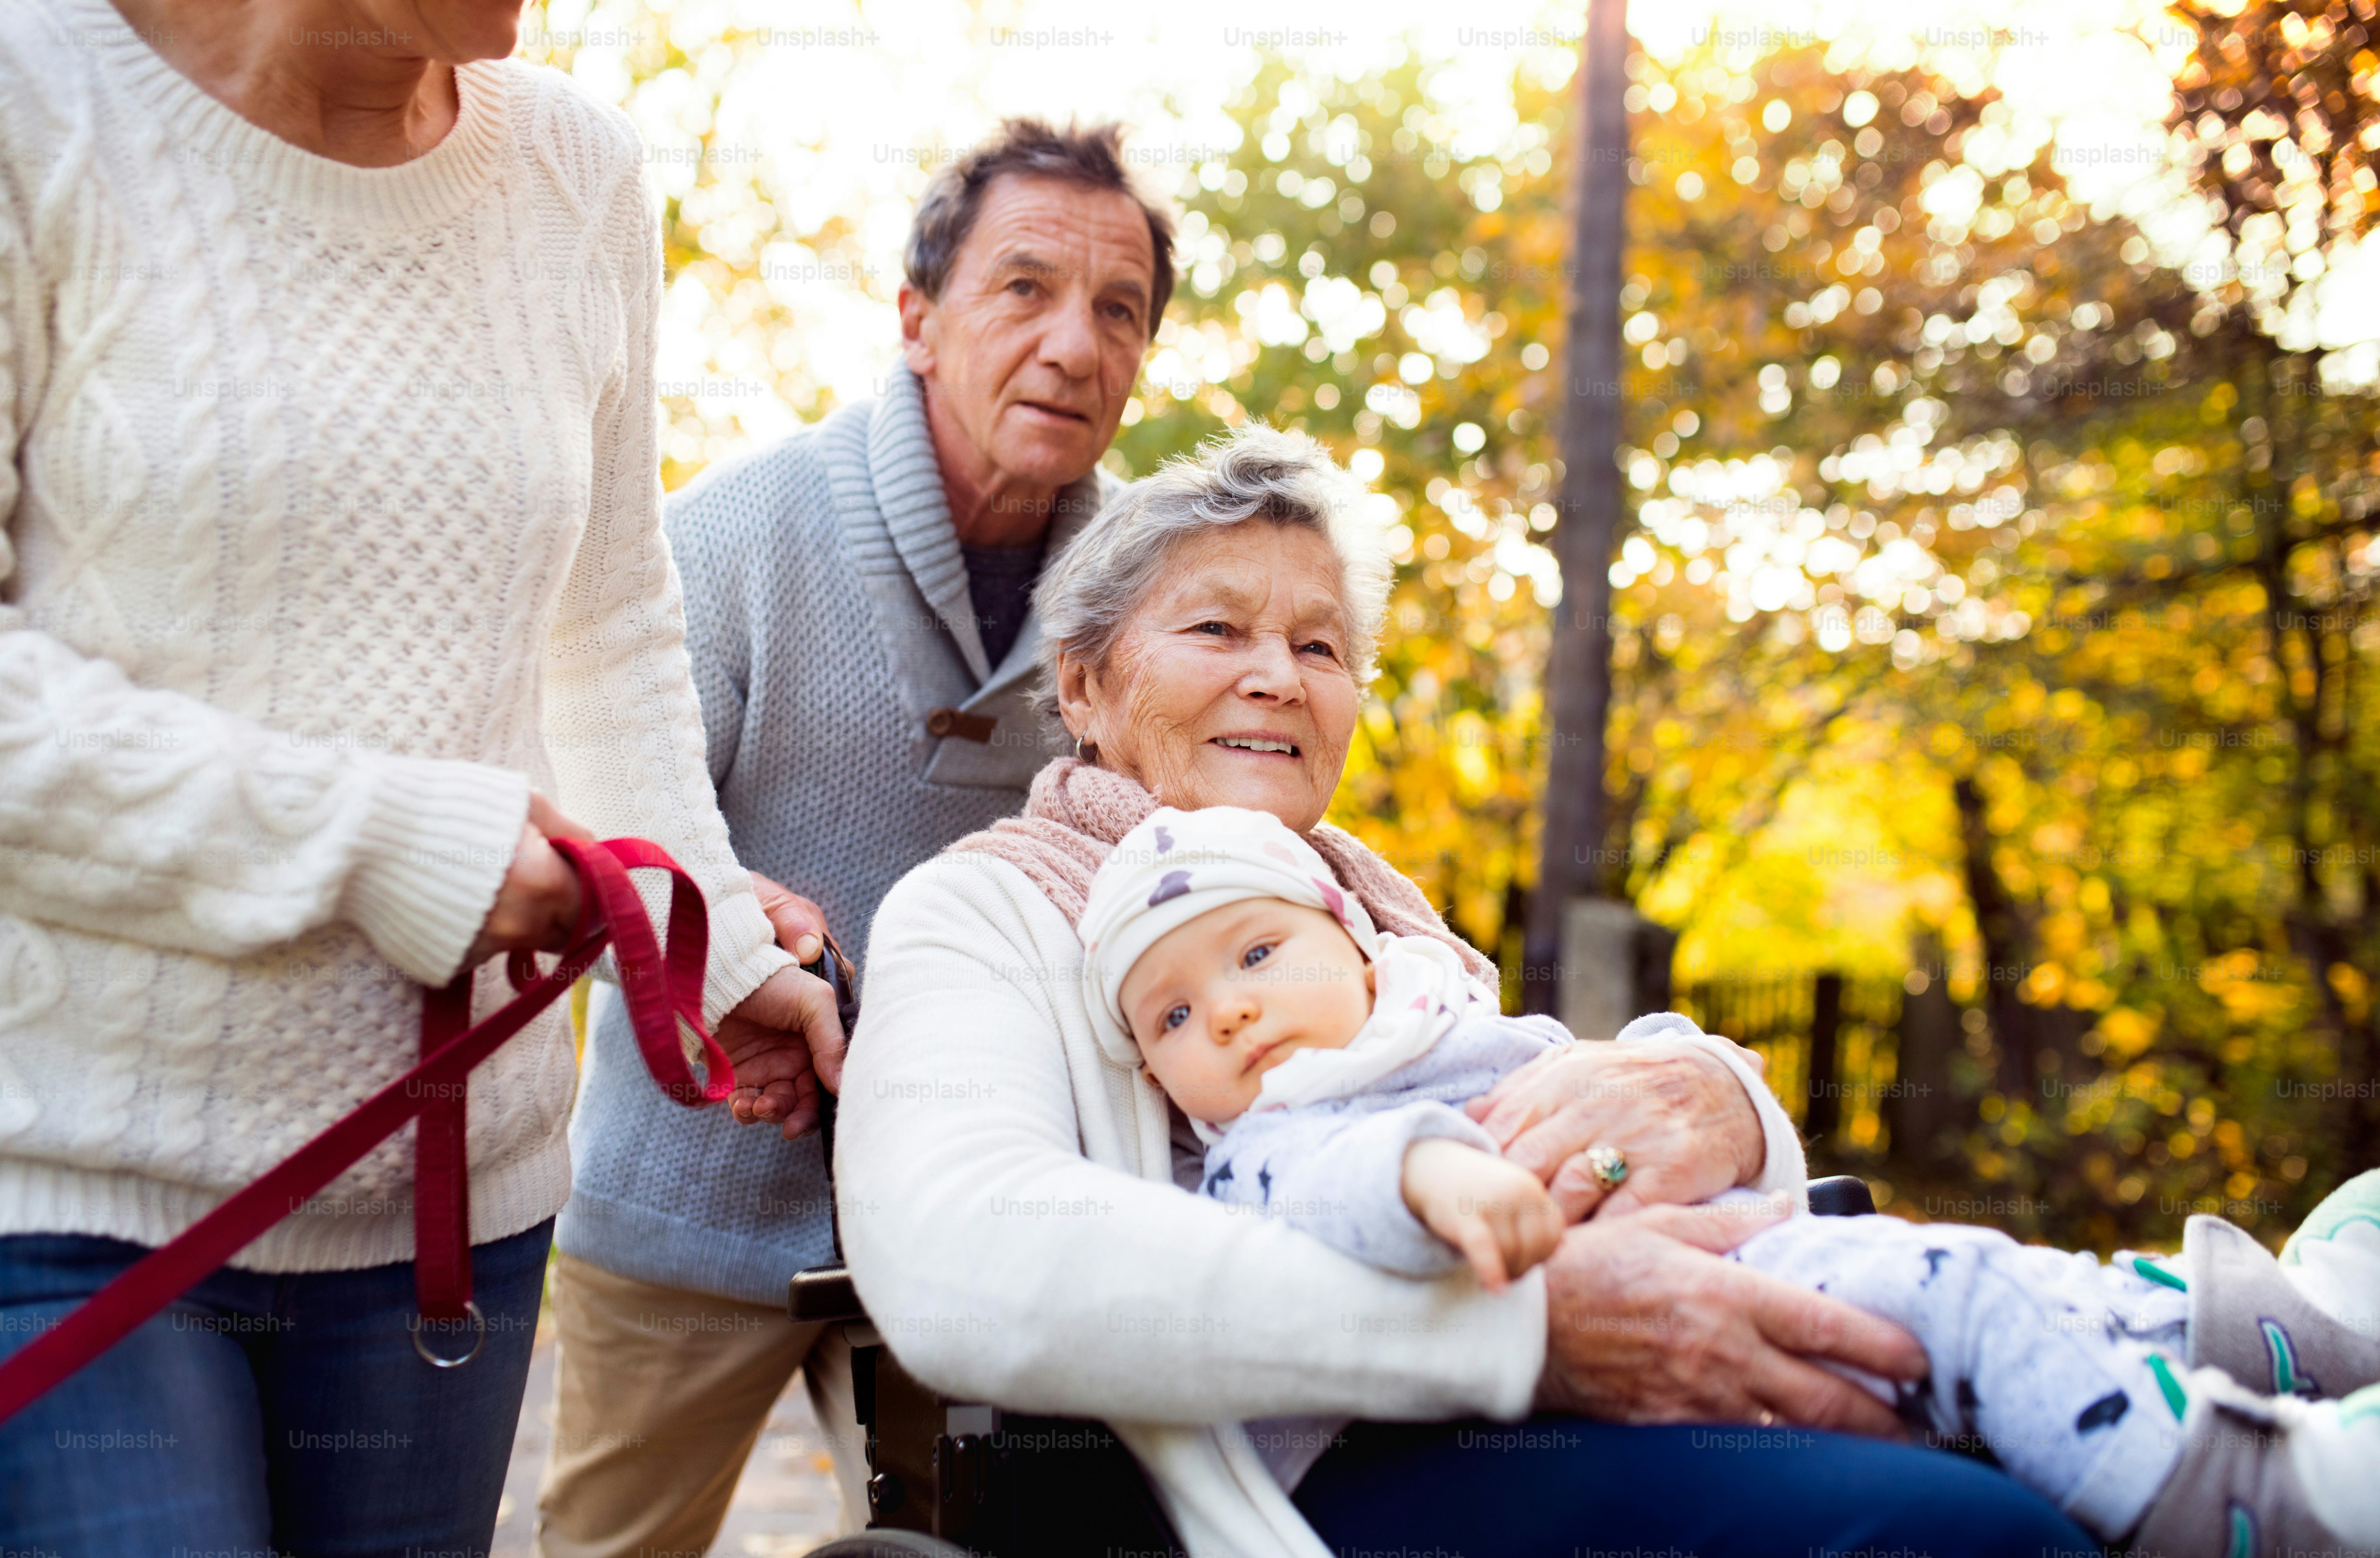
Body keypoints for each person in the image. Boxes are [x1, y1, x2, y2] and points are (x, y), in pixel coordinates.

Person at [834, 425, 2109, 1558]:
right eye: (1217, 628)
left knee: (2062, 1443)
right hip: (1296, 1478)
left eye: (1318, 643)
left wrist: (1727, 1102)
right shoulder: (983, 909)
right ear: (1083, 685)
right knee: (1968, 1535)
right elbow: (962, 1250)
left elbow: (1543, 1101)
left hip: (1571, 1404)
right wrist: (1511, 1330)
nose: (1277, 672)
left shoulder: (1383, 918)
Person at [0, 0, 839, 1550]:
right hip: (61, 1181)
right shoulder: (33, 99)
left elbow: (609, 630)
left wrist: (707, 944)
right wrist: (390, 844)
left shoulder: (580, 172)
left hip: (447, 1201)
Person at [1078, 800, 2380, 1558]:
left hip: (1746, 1247)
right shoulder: (1278, 1131)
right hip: (1648, 1326)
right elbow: (1330, 1183)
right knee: (1963, 1297)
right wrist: (1441, 1179)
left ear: (1356, 945)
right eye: (1173, 1020)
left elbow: (1609, 1065)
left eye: (1254, 956)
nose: (1230, 1018)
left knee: (2005, 1293)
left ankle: (2268, 1327)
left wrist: (1687, 1073)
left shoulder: (1431, 1015)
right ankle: (2233, 1495)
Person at [538, 118, 1172, 1556]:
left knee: (982, 1545)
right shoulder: (730, 535)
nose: (1075, 344)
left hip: (963, 1203)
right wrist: (723, 925)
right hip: (686, 1193)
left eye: (1119, 311)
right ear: (917, 318)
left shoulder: (1145, 590)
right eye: (1024, 287)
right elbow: (590, 836)